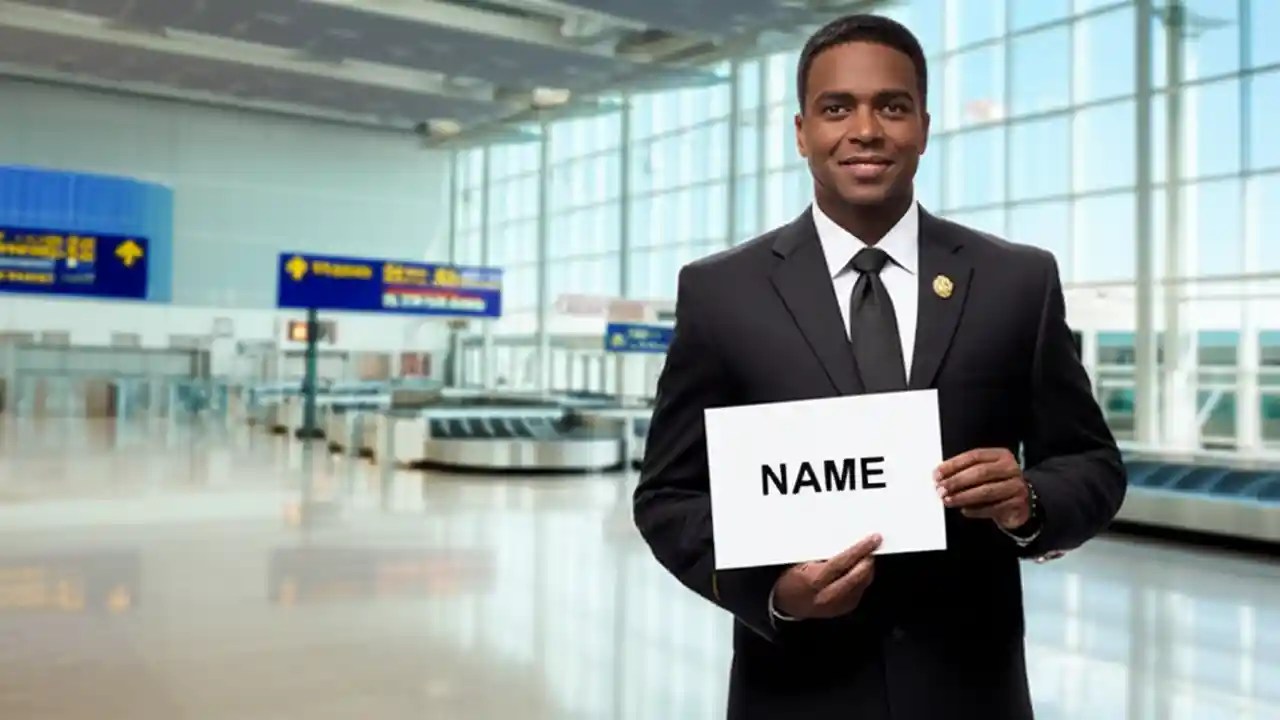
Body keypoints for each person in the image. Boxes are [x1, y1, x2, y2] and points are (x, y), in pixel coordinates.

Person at [632, 13, 1126, 720]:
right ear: (802, 131)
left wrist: (1030, 503)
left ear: (923, 126)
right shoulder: (722, 293)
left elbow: (1091, 462)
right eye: (837, 108)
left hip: (970, 691)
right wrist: (774, 592)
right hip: (796, 692)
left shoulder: (1016, 281)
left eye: (891, 107)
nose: (865, 130)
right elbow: (668, 497)